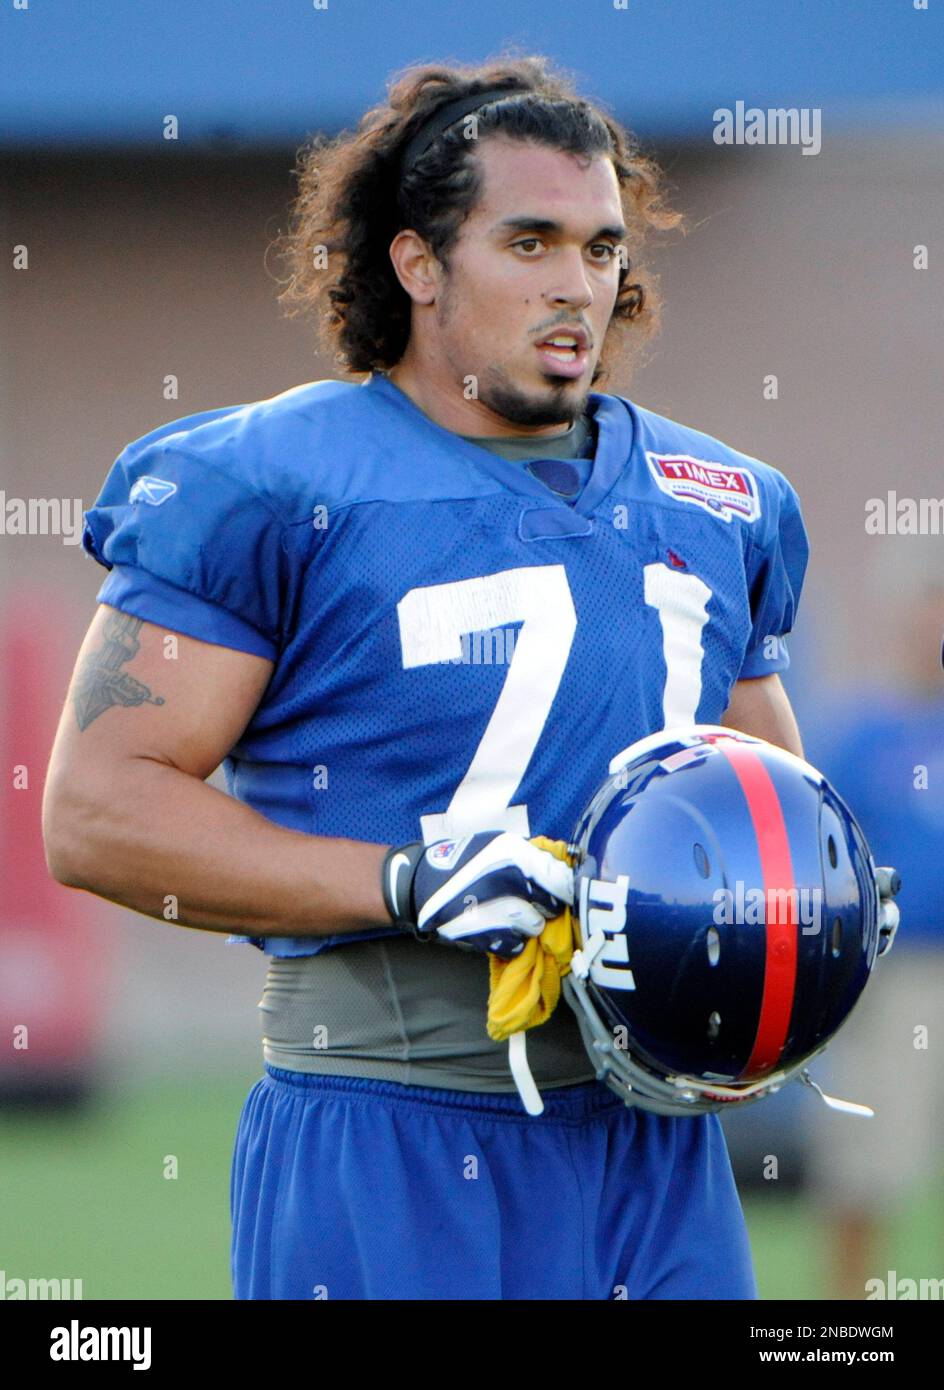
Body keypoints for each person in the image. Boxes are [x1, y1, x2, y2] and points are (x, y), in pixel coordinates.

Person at [43, 55, 810, 1300]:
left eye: (600, 247)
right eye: (529, 242)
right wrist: (401, 880)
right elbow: (94, 814)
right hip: (388, 1126)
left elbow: (760, 802)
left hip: (657, 1150)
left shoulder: (723, 501)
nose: (576, 286)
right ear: (415, 265)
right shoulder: (272, 482)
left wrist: (802, 927)